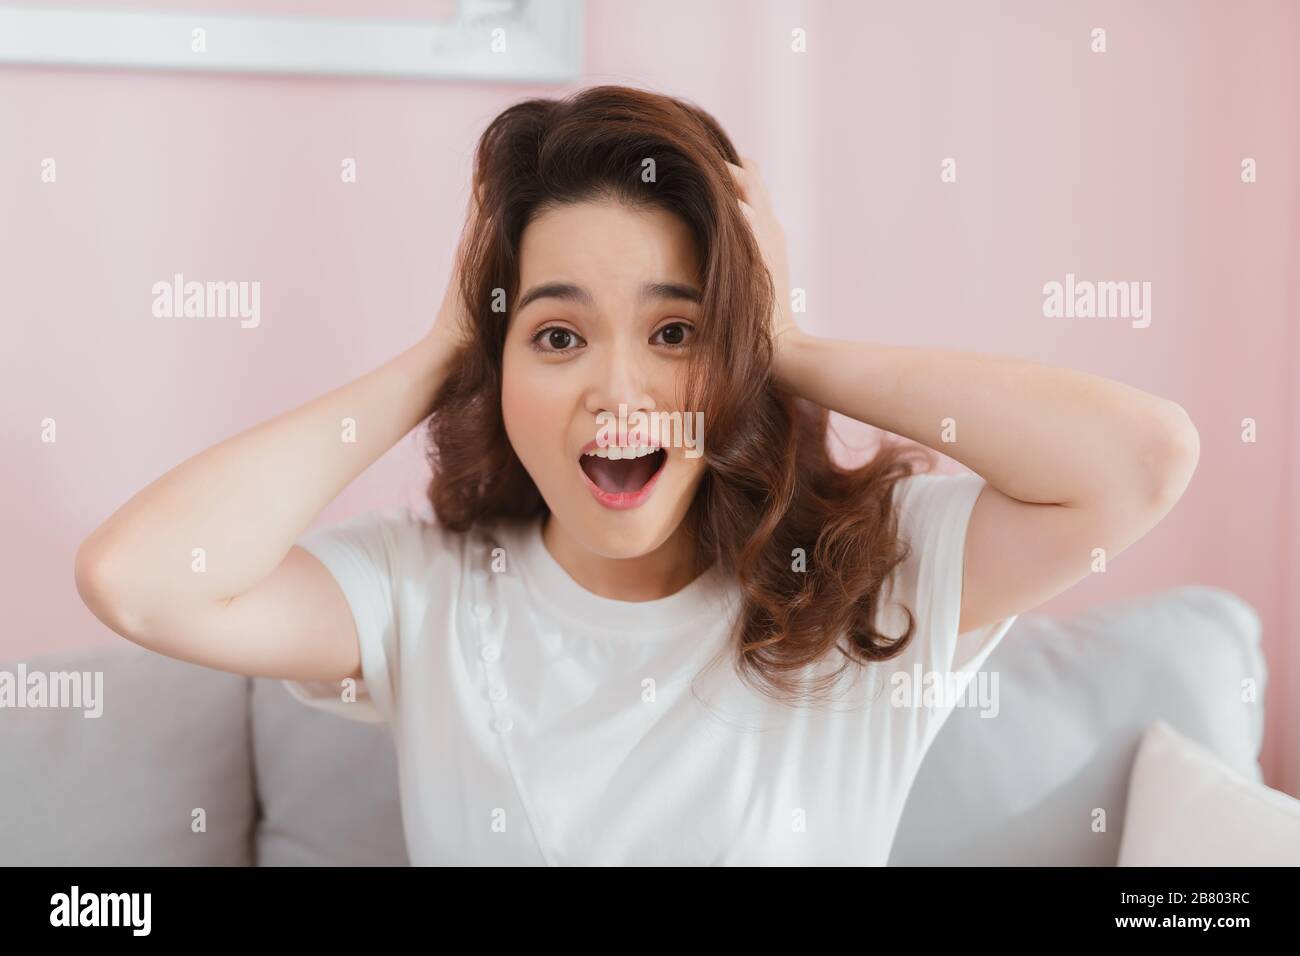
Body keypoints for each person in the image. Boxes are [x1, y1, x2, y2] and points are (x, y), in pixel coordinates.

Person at [74, 85, 1199, 865]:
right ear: (497, 360)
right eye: (557, 337)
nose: (619, 392)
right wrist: (435, 353)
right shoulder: (424, 591)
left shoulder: (864, 576)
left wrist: (786, 341)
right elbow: (140, 577)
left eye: (675, 331)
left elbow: (1142, 460)